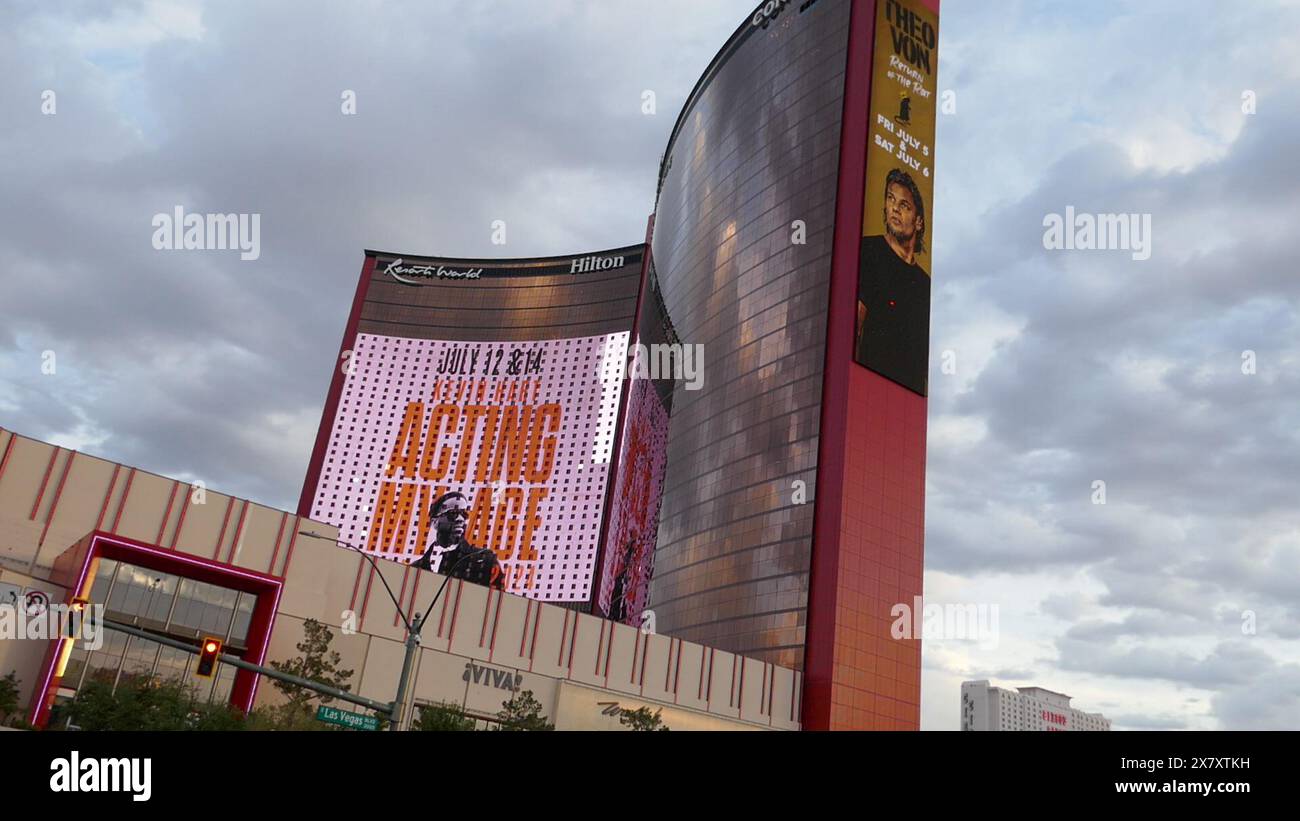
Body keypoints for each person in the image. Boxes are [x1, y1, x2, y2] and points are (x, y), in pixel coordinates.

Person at [855, 167, 931, 395]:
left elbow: (925, 362)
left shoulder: (926, 285)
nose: (895, 208)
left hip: (909, 406)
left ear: (918, 222)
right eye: (890, 199)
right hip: (866, 393)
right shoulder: (868, 250)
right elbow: (853, 329)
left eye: (904, 205)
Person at [411, 491, 504, 590]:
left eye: (464, 514)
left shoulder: (485, 561)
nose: (460, 519)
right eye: (453, 513)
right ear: (434, 522)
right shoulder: (415, 569)